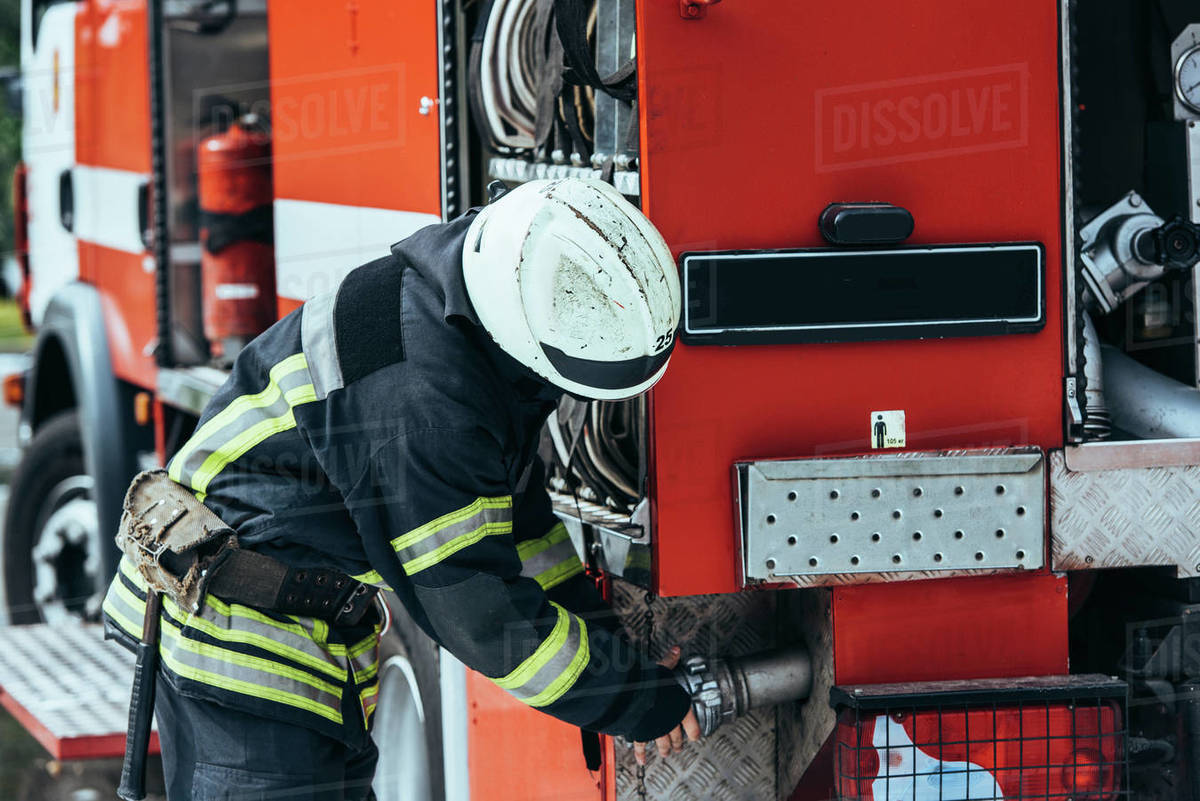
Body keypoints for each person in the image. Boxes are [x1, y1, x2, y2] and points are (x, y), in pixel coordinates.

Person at [102, 178, 698, 799]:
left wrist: (604, 640)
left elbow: (516, 528)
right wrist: (634, 701)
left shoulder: (467, 308)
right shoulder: (425, 406)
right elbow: (478, 613)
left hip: (276, 623)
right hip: (243, 645)